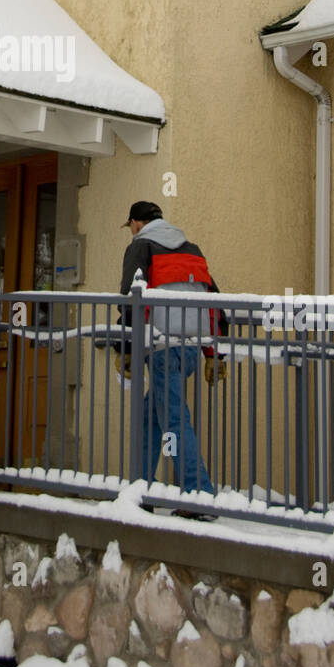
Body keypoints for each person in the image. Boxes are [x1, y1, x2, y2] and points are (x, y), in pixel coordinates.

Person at [118, 200, 225, 513]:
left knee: (175, 422)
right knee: (151, 418)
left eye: (130, 227)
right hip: (191, 349)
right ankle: (141, 491)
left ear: (135, 223)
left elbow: (130, 300)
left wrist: (122, 349)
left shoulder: (141, 247)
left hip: (163, 349)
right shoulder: (191, 249)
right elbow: (213, 300)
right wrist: (212, 354)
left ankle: (198, 495)